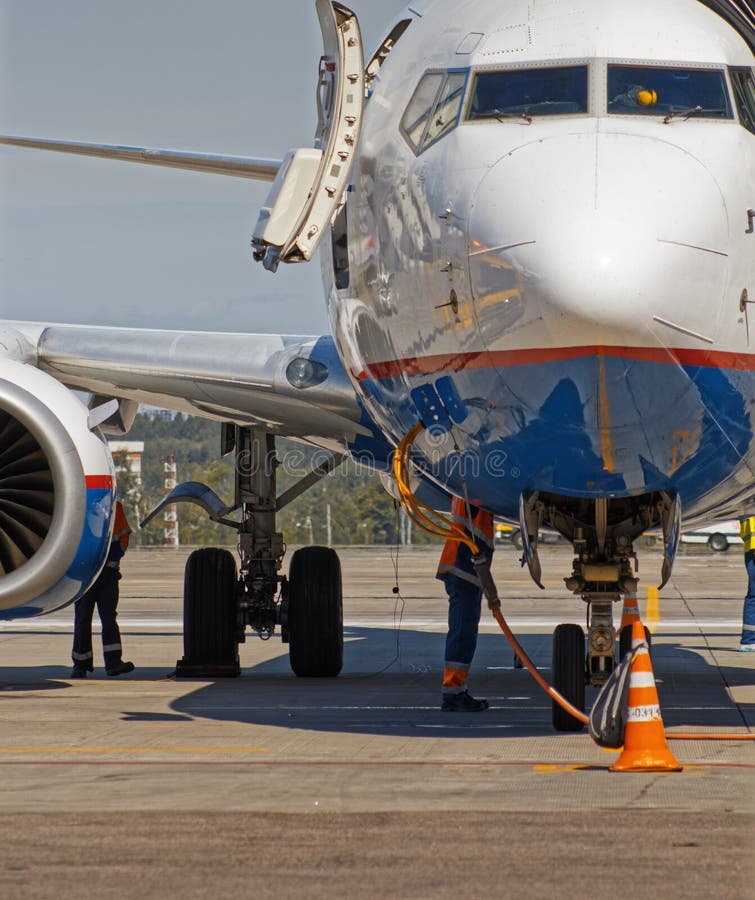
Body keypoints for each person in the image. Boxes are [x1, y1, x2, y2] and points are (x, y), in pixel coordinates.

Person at [436, 496, 494, 711]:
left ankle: (456, 690)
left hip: (467, 573)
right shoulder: (474, 493)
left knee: (465, 633)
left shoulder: (469, 492)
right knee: (462, 634)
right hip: (462, 572)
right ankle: (452, 693)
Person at [71, 499, 135, 678]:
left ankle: (113, 662)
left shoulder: (116, 507)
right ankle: (81, 664)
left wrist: (115, 556)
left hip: (106, 575)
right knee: (83, 618)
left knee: (108, 619)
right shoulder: (79, 506)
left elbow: (124, 534)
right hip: (87, 574)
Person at [738, 516, 755, 652]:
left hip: (751, 548)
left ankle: (748, 641)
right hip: (753, 549)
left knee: (753, 596)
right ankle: (749, 640)